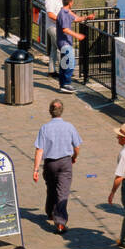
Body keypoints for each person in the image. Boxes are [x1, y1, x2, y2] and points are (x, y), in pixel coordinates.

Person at [33, 99, 82, 234]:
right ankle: (60, 222)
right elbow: (77, 147)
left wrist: (36, 169)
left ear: (50, 111)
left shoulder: (45, 128)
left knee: (51, 188)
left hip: (50, 163)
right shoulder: (69, 127)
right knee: (63, 192)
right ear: (62, 111)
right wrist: (74, 157)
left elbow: (39, 150)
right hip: (65, 162)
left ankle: (50, 212)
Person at [57, 0, 83, 92]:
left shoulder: (67, 12)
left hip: (64, 42)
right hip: (64, 42)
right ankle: (66, 84)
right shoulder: (63, 14)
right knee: (70, 63)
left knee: (64, 63)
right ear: (70, 3)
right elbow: (65, 29)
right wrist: (77, 35)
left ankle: (62, 84)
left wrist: (86, 17)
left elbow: (76, 18)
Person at [43, 0, 65, 77]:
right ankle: (64, 71)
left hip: (58, 27)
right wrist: (61, 20)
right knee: (61, 48)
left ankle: (51, 71)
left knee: (54, 48)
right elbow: (50, 14)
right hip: (52, 27)